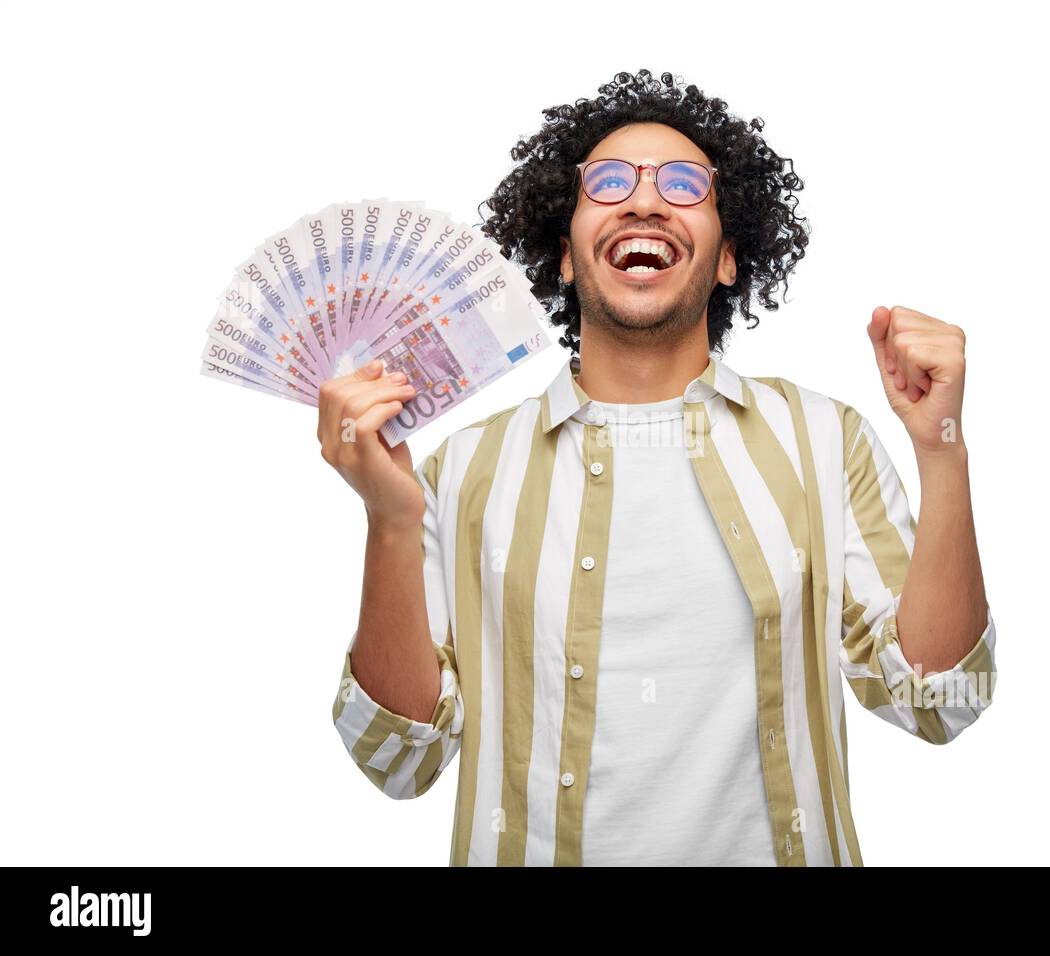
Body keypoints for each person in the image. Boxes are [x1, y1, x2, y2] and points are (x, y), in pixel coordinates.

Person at [317, 70, 996, 867]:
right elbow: (398, 760)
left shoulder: (826, 440)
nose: (643, 202)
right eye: (607, 183)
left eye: (683, 184)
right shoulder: (462, 469)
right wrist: (389, 523)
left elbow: (938, 701)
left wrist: (940, 449)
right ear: (564, 258)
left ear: (729, 258)